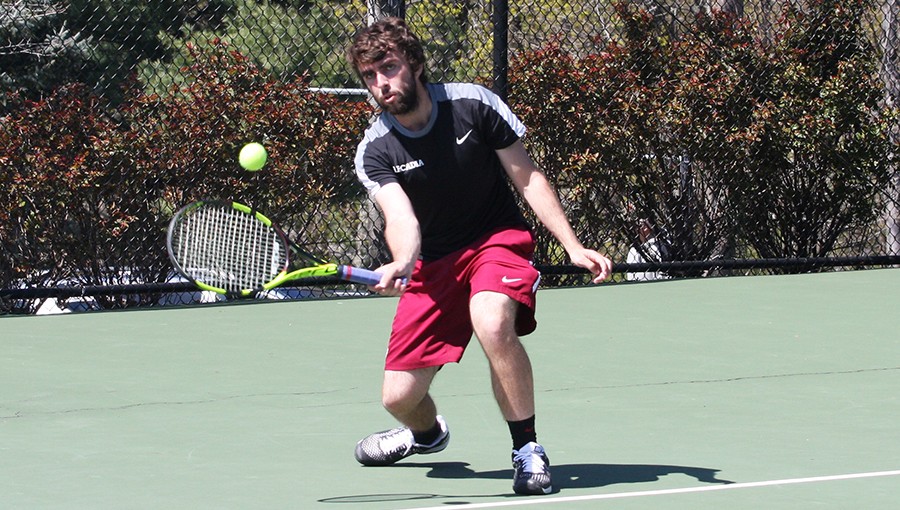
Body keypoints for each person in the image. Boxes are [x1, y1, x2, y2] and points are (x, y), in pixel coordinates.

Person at [345, 17, 612, 496]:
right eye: (369, 76)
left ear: (416, 65)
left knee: (491, 323)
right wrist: (403, 262)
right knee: (399, 397)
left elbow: (526, 176)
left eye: (389, 67)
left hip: (496, 241)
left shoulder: (472, 104)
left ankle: (527, 450)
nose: (381, 83)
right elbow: (400, 217)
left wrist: (572, 245)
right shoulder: (375, 148)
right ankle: (425, 436)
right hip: (435, 263)